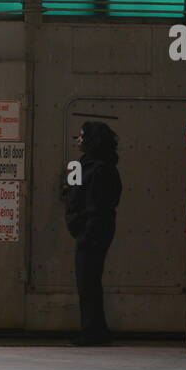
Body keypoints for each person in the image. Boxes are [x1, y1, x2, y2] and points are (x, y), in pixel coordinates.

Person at [64, 121, 122, 346]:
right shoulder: (87, 164)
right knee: (88, 282)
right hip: (88, 231)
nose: (78, 141)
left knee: (88, 282)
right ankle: (95, 328)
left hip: (93, 233)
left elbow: (99, 206)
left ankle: (93, 331)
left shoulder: (101, 169)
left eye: (81, 137)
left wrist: (86, 231)